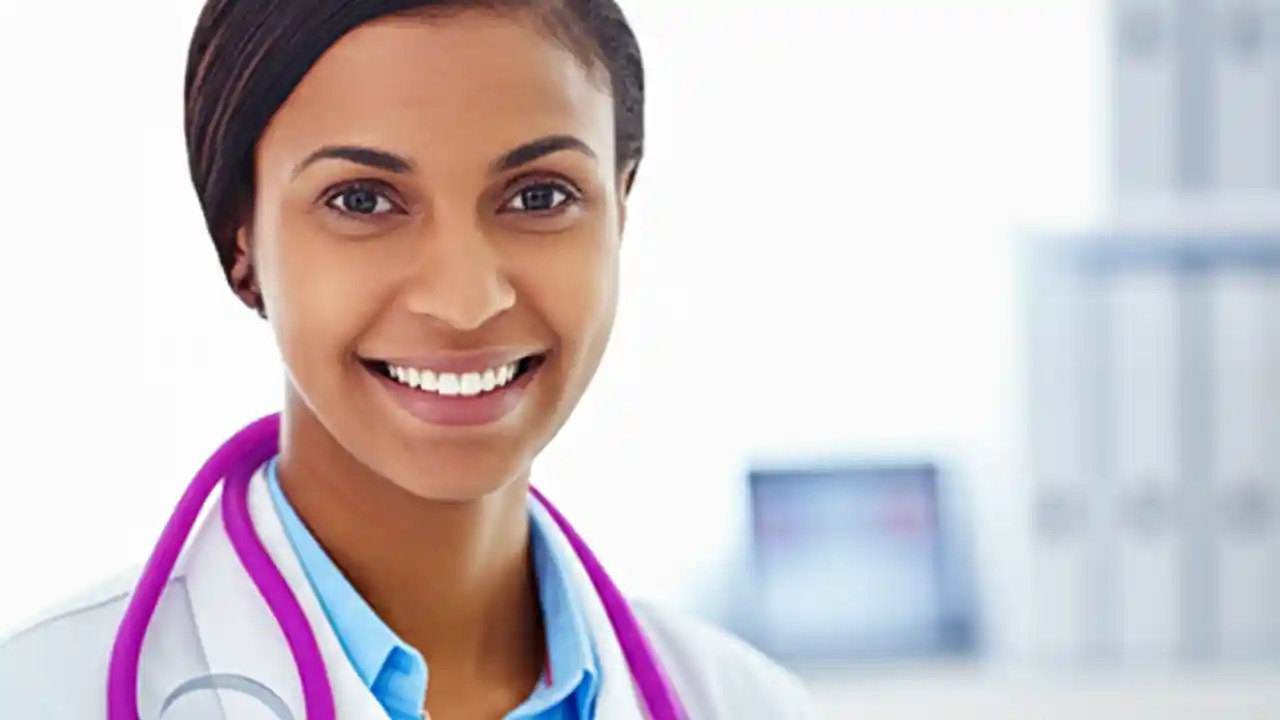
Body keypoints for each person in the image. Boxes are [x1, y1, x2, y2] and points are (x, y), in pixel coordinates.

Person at [0, 1, 818, 718]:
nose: (465, 303)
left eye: (539, 196)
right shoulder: (38, 697)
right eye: (361, 200)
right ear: (241, 238)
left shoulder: (750, 704)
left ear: (620, 211)